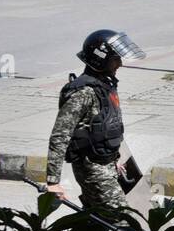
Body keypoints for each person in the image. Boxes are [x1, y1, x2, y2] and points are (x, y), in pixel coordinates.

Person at [45, 30, 148, 216]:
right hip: (92, 169)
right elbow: (60, 134)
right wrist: (53, 182)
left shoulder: (104, 87)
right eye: (115, 59)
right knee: (125, 224)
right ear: (100, 60)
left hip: (106, 164)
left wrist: (115, 159)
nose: (120, 64)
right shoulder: (83, 92)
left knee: (93, 227)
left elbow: (105, 128)